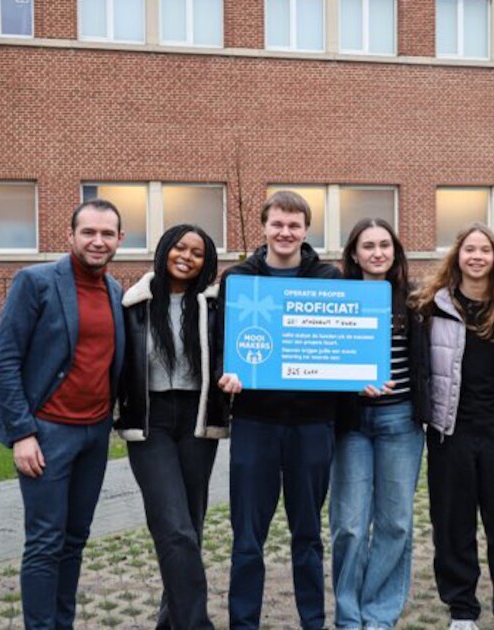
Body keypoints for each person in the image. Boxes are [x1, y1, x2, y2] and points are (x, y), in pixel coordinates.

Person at [0, 199, 126, 630]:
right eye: (89, 232)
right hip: (47, 434)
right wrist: (22, 433)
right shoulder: (36, 281)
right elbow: (5, 359)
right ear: (70, 236)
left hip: (95, 433)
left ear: (120, 240)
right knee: (46, 542)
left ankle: (61, 623)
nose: (98, 241)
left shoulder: (117, 291)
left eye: (107, 234)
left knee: (74, 540)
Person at [216, 190, 342, 630]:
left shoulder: (329, 278)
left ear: (306, 230)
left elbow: (341, 344)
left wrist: (358, 372)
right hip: (256, 423)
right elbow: (220, 346)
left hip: (312, 424)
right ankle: (243, 623)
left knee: (307, 534)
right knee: (248, 537)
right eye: (277, 224)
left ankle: (313, 622)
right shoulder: (238, 280)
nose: (285, 232)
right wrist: (225, 374)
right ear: (264, 226)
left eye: (294, 225)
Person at [413, 222, 494, 630]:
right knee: (452, 523)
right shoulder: (433, 305)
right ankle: (462, 608)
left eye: (485, 250)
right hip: (451, 429)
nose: (477, 257)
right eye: (469, 250)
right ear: (457, 256)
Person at [117, 224, 227, 629]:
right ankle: (196, 624)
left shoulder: (215, 305)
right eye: (180, 247)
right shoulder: (135, 302)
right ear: (164, 250)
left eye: (198, 252)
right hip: (152, 420)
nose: (187, 256)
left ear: (207, 261)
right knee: (173, 525)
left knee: (189, 528)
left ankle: (171, 621)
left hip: (198, 419)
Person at [330, 218, 430, 630]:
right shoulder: (335, 297)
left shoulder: (414, 301)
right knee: (350, 525)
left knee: (396, 522)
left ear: (395, 251)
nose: (377, 253)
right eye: (367, 245)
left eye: (384, 245)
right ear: (354, 254)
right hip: (352, 423)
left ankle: (379, 614)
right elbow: (323, 357)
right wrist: (352, 383)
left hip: (400, 420)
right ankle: (349, 617)